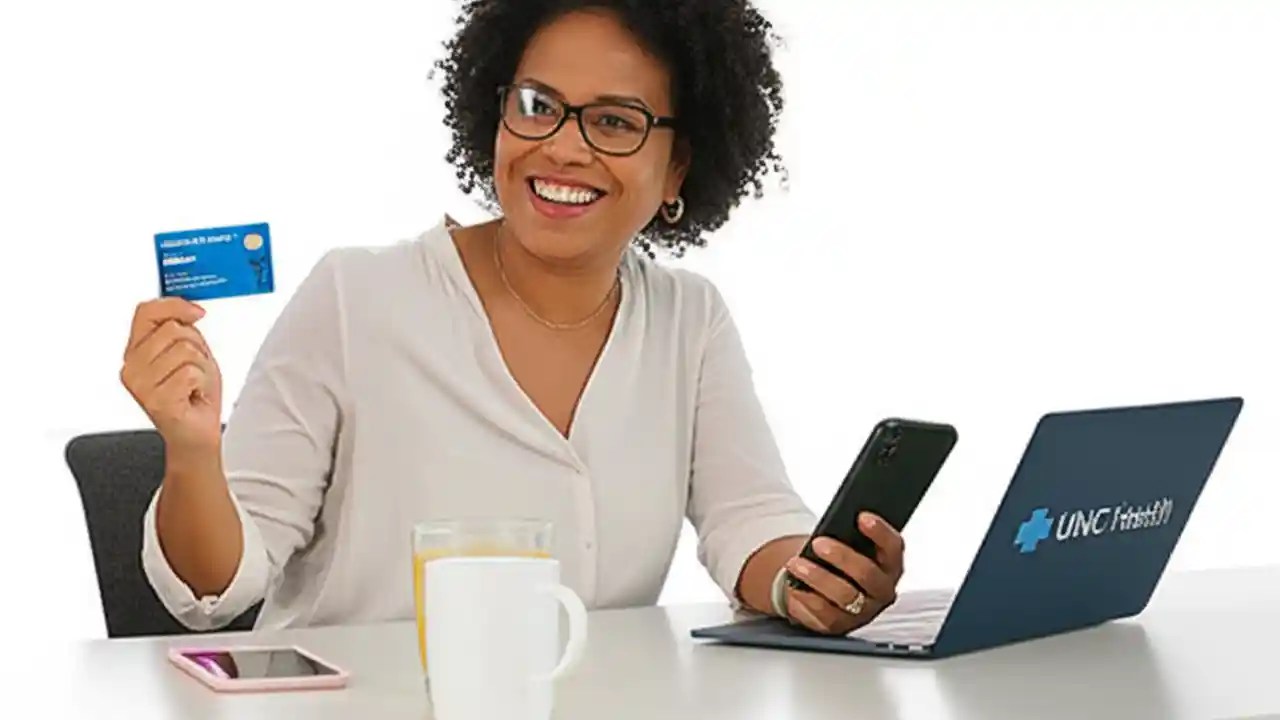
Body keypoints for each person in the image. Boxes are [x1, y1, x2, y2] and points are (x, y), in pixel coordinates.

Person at [120, 0, 906, 638]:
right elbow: (216, 590)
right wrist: (193, 454)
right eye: (538, 106)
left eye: (616, 121)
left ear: (679, 167)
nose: (563, 148)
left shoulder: (688, 320)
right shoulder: (356, 298)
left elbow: (751, 522)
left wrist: (810, 580)